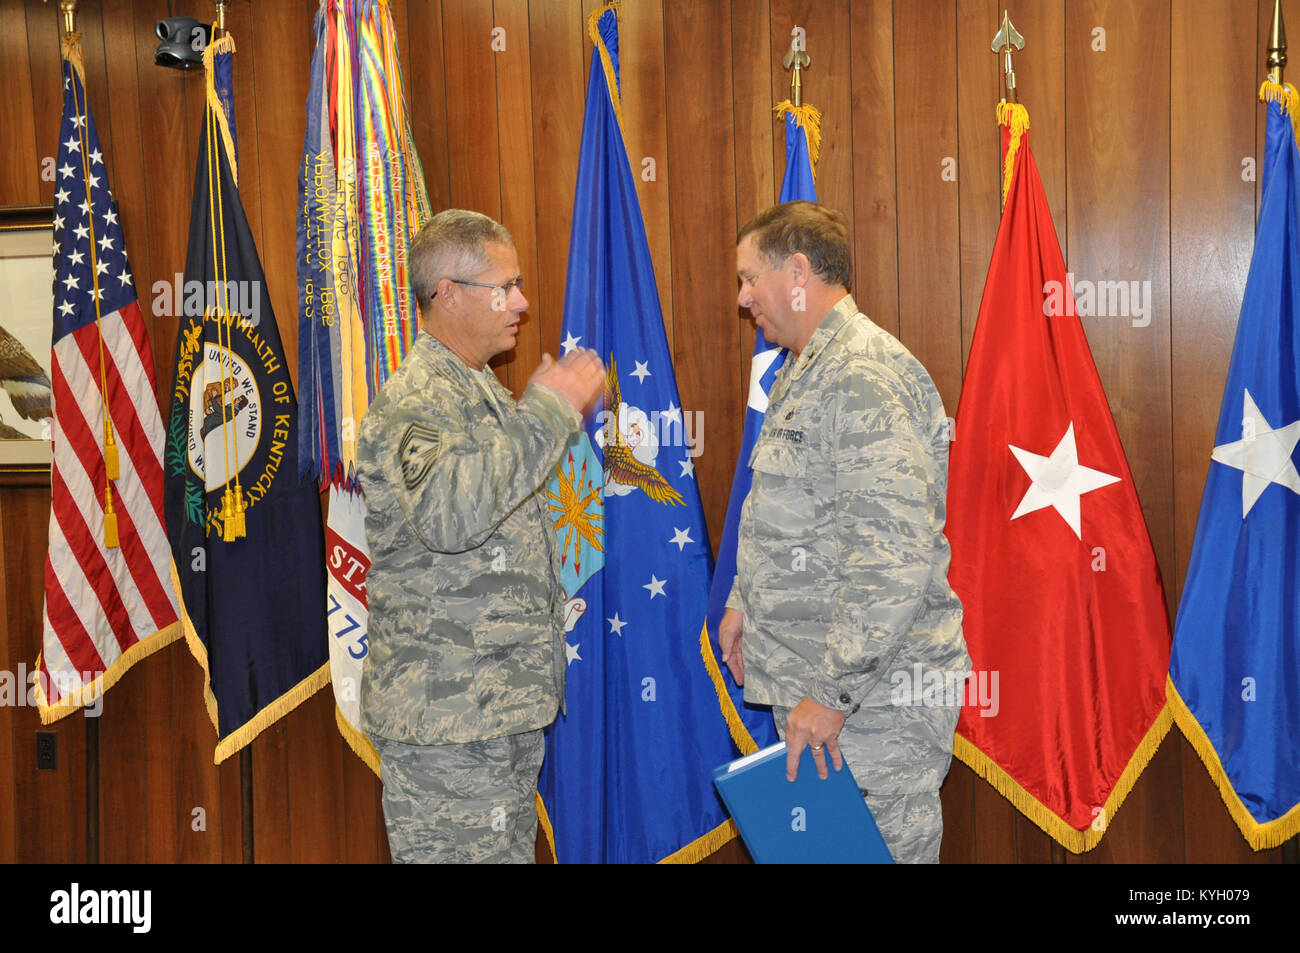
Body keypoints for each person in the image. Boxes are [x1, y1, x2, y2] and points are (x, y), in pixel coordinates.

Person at [719, 201, 969, 864]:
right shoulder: (803, 368)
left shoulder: (860, 374)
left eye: (750, 278)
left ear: (796, 271)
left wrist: (831, 695)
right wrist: (746, 596)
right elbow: (792, 506)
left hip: (871, 707)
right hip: (829, 692)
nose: (743, 297)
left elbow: (890, 562)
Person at [357, 209, 604, 863]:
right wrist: (548, 409)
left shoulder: (482, 391)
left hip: (493, 715)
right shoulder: (416, 399)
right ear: (447, 295)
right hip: (448, 727)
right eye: (503, 287)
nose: (521, 302)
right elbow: (451, 514)